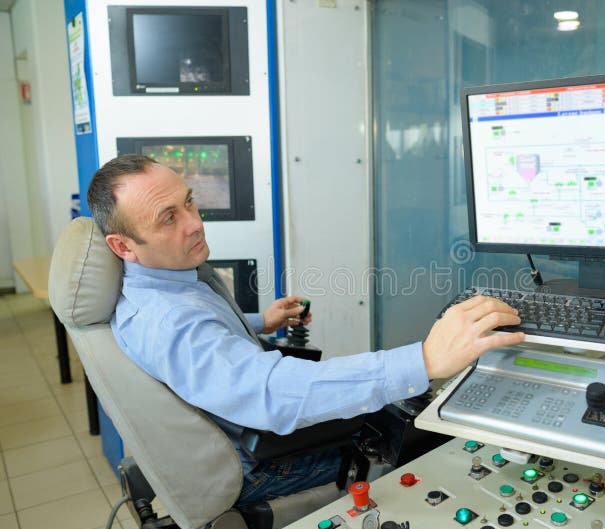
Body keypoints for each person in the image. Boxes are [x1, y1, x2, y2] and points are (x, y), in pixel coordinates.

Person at [87, 154, 525, 505]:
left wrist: (260, 321)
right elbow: (268, 393)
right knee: (417, 435)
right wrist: (424, 359)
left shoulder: (162, 285)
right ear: (123, 246)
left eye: (189, 201)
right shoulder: (170, 322)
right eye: (168, 218)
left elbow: (209, 346)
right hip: (265, 464)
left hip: (240, 427)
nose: (194, 222)